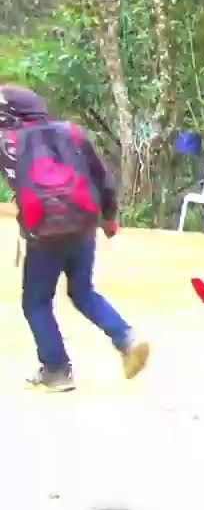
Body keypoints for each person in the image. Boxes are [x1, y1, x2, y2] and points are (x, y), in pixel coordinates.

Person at [0, 85, 149, 392]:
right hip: (83, 226)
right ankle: (126, 338)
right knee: (83, 292)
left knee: (36, 302)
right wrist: (109, 218)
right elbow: (102, 177)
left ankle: (56, 369)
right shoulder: (72, 132)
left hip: (44, 234)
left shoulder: (8, 142)